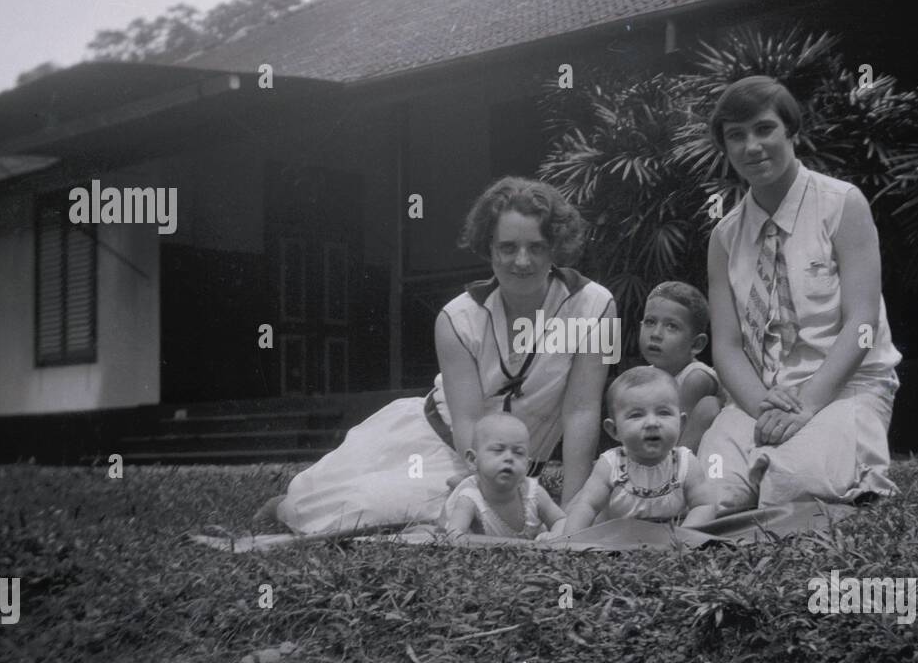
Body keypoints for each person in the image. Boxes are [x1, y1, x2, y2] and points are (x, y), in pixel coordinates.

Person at [255, 176, 615, 535]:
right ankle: (286, 507)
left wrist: (573, 514)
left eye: (536, 247)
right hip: (441, 442)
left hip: (511, 461)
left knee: (422, 520)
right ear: (488, 247)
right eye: (508, 247)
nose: (522, 261)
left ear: (555, 247)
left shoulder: (596, 305)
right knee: (355, 510)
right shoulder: (456, 318)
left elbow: (581, 410)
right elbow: (469, 423)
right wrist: (483, 492)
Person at [700, 75, 902, 511]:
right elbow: (728, 347)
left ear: (791, 130)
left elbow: (862, 323)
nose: (752, 146)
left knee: (795, 488)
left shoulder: (842, 204)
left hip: (844, 386)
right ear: (726, 148)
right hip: (763, 397)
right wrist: (760, 405)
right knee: (710, 494)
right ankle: (762, 459)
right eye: (736, 136)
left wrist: (807, 404)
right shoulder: (725, 237)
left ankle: (830, 458)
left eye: (764, 128)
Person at [556, 366, 718, 534]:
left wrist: (685, 536)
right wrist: (571, 540)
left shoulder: (686, 463)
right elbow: (587, 506)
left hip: (670, 537)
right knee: (565, 522)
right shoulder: (611, 465)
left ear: (681, 423)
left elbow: (704, 504)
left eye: (663, 413)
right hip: (617, 537)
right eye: (636, 415)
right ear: (614, 430)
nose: (652, 423)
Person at [441, 412, 565, 541]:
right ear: (473, 460)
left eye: (518, 452)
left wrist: (554, 535)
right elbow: (454, 536)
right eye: (498, 450)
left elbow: (561, 520)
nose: (509, 458)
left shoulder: (534, 493)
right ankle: (453, 487)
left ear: (527, 466)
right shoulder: (470, 499)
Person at [639, 281, 722, 452]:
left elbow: (676, 437)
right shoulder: (646, 375)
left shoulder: (696, 378)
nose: (655, 334)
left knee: (709, 405)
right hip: (661, 452)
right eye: (650, 322)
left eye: (671, 326)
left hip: (690, 458)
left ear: (696, 344)